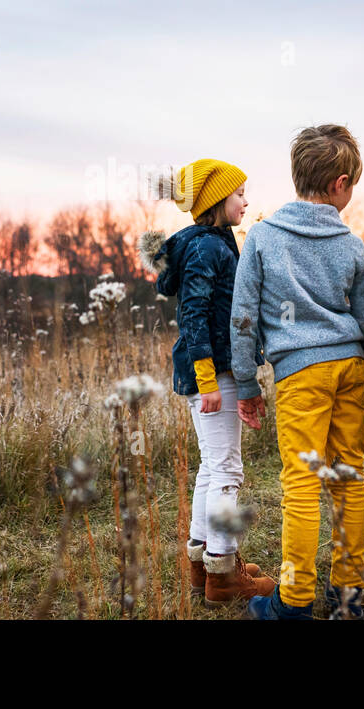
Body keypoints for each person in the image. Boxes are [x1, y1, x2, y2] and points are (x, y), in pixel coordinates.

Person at [229, 125, 364, 620]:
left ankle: (293, 602)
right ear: (340, 183)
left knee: (301, 485)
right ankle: (348, 596)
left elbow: (244, 315)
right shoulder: (352, 245)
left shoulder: (263, 237)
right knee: (348, 479)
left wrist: (246, 381)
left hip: (301, 372)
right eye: (353, 184)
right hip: (351, 368)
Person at [143, 158, 275, 606]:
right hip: (213, 372)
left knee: (210, 466)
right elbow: (193, 314)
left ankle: (204, 565)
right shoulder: (209, 249)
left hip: (210, 371)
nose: (246, 200)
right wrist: (209, 380)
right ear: (218, 199)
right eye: (240, 193)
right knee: (226, 471)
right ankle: (223, 570)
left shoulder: (211, 242)